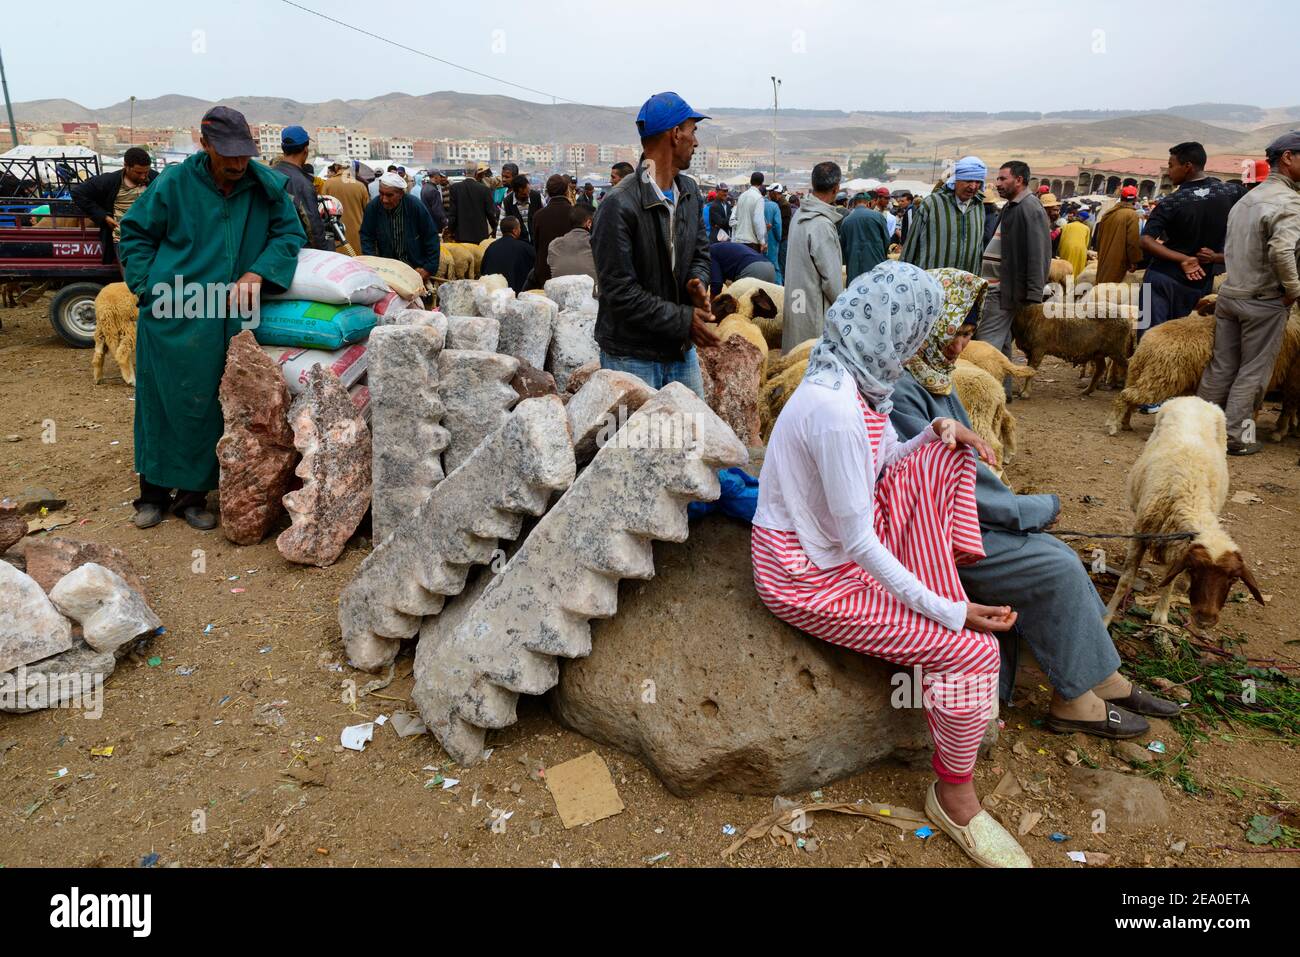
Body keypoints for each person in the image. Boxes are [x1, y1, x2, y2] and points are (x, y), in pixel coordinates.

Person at [752, 261, 1029, 869]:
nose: (929, 341)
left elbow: (887, 464)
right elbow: (858, 544)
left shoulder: (854, 380)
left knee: (946, 455)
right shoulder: (836, 410)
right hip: (804, 570)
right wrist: (951, 613)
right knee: (971, 651)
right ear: (897, 330)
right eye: (925, 328)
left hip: (833, 542)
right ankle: (953, 797)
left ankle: (939, 586)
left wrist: (936, 430)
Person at [889, 268, 1179, 738]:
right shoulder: (904, 389)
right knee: (1054, 566)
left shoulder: (933, 377)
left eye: (967, 334)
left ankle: (1100, 679)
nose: (960, 346)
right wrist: (1029, 511)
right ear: (923, 325)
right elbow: (939, 474)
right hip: (927, 536)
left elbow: (965, 468)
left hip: (951, 519)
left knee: (1061, 555)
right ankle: (1074, 701)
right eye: (952, 333)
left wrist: (1019, 510)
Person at [117, 106, 305, 531]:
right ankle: (151, 494)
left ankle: (192, 497)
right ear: (205, 146)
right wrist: (147, 286)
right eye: (228, 156)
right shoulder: (175, 182)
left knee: (209, 403)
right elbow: (134, 232)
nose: (238, 164)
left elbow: (290, 234)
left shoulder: (264, 186)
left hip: (229, 314)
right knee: (162, 399)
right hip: (171, 310)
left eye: (244, 155)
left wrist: (258, 272)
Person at [590, 91, 718, 394]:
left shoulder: (689, 193)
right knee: (638, 440)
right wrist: (684, 319)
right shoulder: (618, 205)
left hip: (679, 351)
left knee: (690, 438)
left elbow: (701, 252)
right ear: (675, 134)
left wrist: (697, 280)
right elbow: (619, 292)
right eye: (692, 131)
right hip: (632, 357)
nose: (696, 142)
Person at [1197, 131, 1300, 455]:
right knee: (1253, 371)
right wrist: (1293, 290)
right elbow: (1282, 251)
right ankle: (1236, 437)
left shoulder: (1245, 200)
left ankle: (1198, 429)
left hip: (1230, 295)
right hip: (1263, 299)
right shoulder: (1289, 201)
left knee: (1222, 365)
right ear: (1287, 157)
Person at [1139, 142, 1241, 338]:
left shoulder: (1172, 201)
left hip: (1162, 280)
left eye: (1171, 165)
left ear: (1188, 166)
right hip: (1199, 284)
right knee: (1182, 343)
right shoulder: (1232, 193)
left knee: (1150, 339)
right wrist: (1217, 257)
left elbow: (1146, 240)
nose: (1169, 171)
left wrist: (1183, 259)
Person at [979, 160, 1051, 398]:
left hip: (1002, 289)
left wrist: (1033, 292)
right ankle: (1004, 391)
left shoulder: (1029, 208)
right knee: (1001, 344)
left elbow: (1038, 252)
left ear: (1018, 180)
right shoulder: (1013, 206)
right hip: (999, 286)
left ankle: (986, 394)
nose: (998, 183)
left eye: (1003, 179)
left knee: (986, 345)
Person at [782, 161, 846, 349]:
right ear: (836, 189)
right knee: (810, 354)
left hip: (797, 295)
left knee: (795, 342)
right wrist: (843, 307)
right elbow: (831, 280)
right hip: (813, 302)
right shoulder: (821, 225)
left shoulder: (800, 216)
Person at [71, 146, 158, 270]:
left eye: (146, 172)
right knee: (132, 281)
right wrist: (103, 216)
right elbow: (77, 193)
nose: (144, 176)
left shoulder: (156, 179)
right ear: (126, 166)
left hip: (151, 239)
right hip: (124, 240)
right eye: (138, 173)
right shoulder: (109, 181)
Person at [900, 156, 987, 275]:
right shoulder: (932, 203)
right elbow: (911, 245)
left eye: (977, 182)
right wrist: (903, 277)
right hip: (932, 284)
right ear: (956, 179)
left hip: (965, 287)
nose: (973, 186)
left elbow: (979, 247)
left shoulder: (979, 206)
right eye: (968, 180)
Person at [359, 171, 440, 285]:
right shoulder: (373, 207)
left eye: (389, 195)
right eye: (381, 193)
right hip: (388, 269)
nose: (384, 199)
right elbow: (366, 236)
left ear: (401, 194)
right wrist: (373, 264)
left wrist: (428, 268)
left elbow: (431, 236)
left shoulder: (415, 206)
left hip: (414, 268)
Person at [271, 126, 331, 251]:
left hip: (272, 249)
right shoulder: (302, 184)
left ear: (283, 149)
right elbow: (312, 226)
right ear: (305, 150)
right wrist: (323, 253)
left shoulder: (271, 175)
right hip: (298, 251)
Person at [530, 174, 574, 288]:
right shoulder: (575, 213)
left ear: (548, 192)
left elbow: (537, 245)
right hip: (570, 272)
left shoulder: (538, 216)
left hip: (545, 272)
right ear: (566, 191)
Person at [1093, 185, 1142, 284]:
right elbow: (1132, 241)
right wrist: (1134, 260)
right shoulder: (1131, 215)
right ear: (1135, 199)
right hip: (1118, 258)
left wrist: (1100, 251)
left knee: (1101, 283)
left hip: (1104, 254)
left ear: (1122, 197)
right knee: (1110, 288)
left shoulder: (1109, 213)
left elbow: (1099, 236)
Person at [839, 191, 891, 283]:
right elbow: (886, 240)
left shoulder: (846, 220)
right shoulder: (878, 216)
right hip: (875, 264)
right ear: (869, 203)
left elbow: (842, 245)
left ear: (854, 203)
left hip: (854, 267)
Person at [321, 162, 370, 255]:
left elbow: (323, 210)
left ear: (336, 167)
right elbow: (368, 211)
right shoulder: (360, 185)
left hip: (336, 233)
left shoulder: (328, 183)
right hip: (357, 234)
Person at [547, 203, 598, 289]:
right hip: (593, 299)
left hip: (560, 299)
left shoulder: (554, 245)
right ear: (589, 223)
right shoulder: (596, 244)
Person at [480, 215, 535, 293]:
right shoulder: (525, 248)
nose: (520, 230)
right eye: (519, 227)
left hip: (492, 293)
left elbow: (482, 270)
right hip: (516, 294)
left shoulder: (491, 247)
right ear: (515, 231)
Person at [449, 164, 498, 243]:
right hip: (480, 235)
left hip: (461, 235)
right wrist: (495, 228)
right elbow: (490, 213)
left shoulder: (455, 188)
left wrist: (451, 230)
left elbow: (452, 213)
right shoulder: (484, 189)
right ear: (476, 173)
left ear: (464, 173)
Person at [709, 240, 776, 297]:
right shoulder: (721, 248)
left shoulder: (711, 252)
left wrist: (710, 304)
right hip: (770, 268)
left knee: (737, 307)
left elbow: (716, 284)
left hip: (752, 270)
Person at [730, 172, 768, 253]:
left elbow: (735, 217)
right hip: (751, 243)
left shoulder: (742, 196)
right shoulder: (758, 198)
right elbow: (758, 221)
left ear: (751, 181)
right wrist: (762, 242)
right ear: (762, 183)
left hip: (738, 241)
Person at [503, 174, 543, 244]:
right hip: (518, 244)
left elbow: (543, 217)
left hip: (537, 241)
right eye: (524, 194)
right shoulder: (507, 202)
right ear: (515, 192)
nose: (528, 196)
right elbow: (502, 223)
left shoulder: (536, 197)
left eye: (528, 192)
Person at [1057, 209, 1091, 277]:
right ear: (1084, 220)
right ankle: (1073, 285)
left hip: (1067, 248)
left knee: (1065, 268)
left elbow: (1062, 239)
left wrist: (1059, 250)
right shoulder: (1087, 228)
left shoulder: (1066, 226)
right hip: (1080, 251)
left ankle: (1064, 284)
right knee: (1077, 269)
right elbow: (1086, 243)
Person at [771, 183, 793, 276]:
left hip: (783, 239)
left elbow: (782, 224)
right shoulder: (778, 204)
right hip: (781, 238)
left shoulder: (783, 205)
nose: (769, 195)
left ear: (775, 193)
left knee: (781, 265)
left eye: (770, 192)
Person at [762, 185, 784, 283]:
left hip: (758, 242)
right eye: (778, 194)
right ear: (773, 193)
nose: (779, 196)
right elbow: (777, 225)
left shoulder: (758, 204)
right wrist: (778, 238)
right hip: (772, 241)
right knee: (775, 267)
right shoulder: (774, 206)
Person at [419, 169, 448, 234]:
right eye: (440, 177)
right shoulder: (433, 191)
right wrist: (445, 223)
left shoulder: (424, 187)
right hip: (435, 224)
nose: (441, 179)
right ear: (436, 177)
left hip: (427, 222)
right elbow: (438, 211)